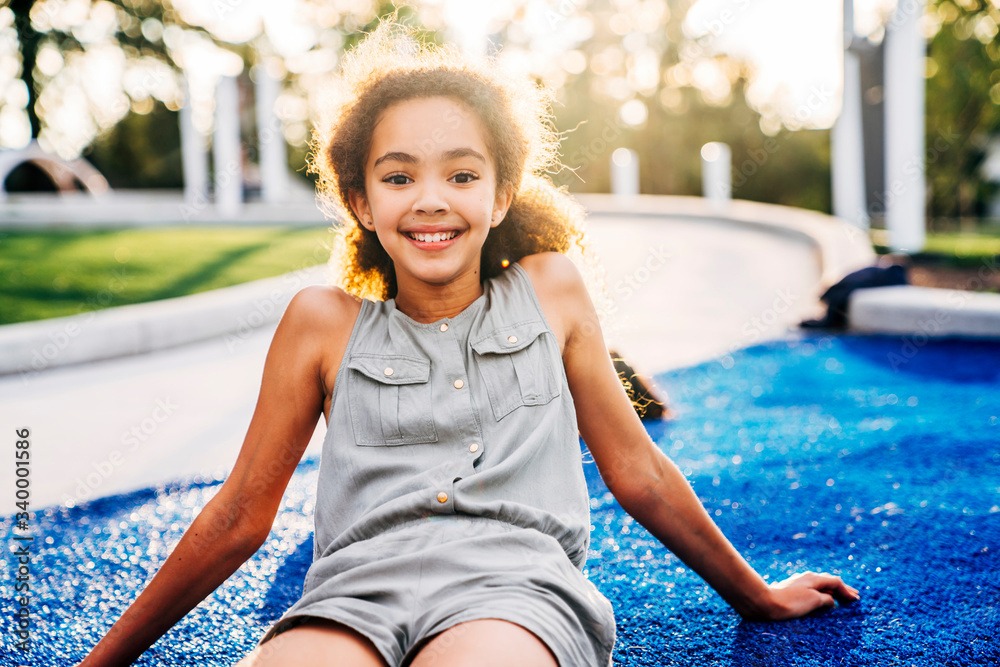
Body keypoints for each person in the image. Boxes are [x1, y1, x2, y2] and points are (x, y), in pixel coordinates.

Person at [79, 20, 859, 667]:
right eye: (397, 177)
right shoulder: (318, 323)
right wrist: (99, 661)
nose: (430, 200)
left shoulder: (552, 289)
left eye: (461, 174)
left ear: (501, 192)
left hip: (514, 592)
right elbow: (240, 515)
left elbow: (639, 472)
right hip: (350, 598)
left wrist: (757, 595)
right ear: (359, 199)